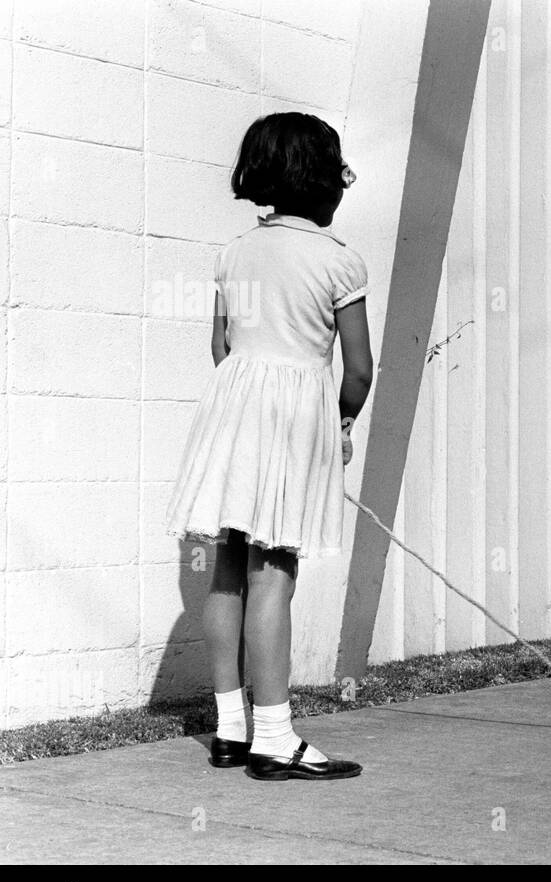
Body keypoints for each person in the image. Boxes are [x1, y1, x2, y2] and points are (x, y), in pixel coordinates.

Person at [163, 113, 373, 779]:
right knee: (273, 572)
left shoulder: (234, 252)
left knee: (227, 565)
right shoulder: (338, 259)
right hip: (292, 419)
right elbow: (359, 370)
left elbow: (221, 346)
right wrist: (341, 422)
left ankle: (230, 728)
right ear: (324, 180)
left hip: (232, 413)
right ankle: (275, 737)